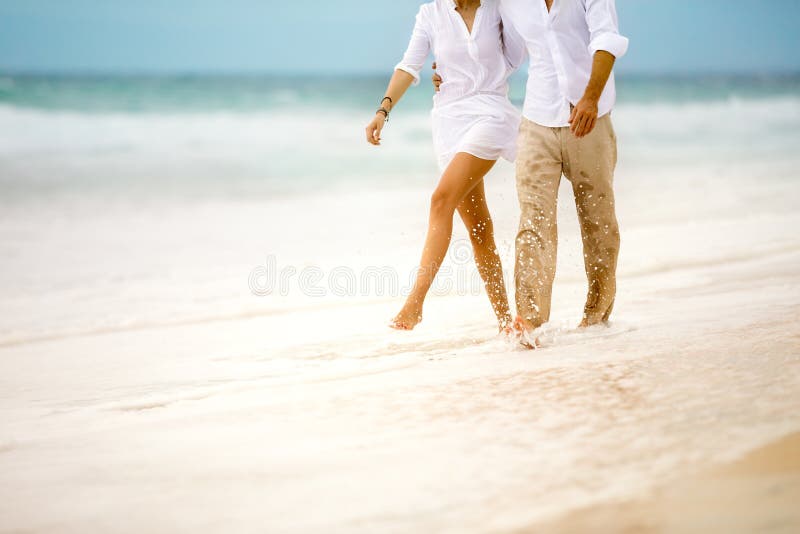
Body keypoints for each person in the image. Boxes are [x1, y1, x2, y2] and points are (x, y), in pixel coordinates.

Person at [434, 0, 628, 346]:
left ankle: (596, 319)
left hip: (591, 116)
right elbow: (504, 55)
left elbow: (606, 39)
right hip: (538, 116)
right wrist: (455, 70)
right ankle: (530, 324)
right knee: (533, 221)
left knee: (598, 222)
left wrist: (590, 97)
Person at [365, 0, 524, 332]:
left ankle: (414, 305)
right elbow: (409, 66)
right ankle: (505, 322)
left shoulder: (498, 9)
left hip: (490, 112)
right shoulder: (431, 13)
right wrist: (383, 110)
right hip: (449, 119)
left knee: (440, 200)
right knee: (480, 230)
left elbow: (522, 49)